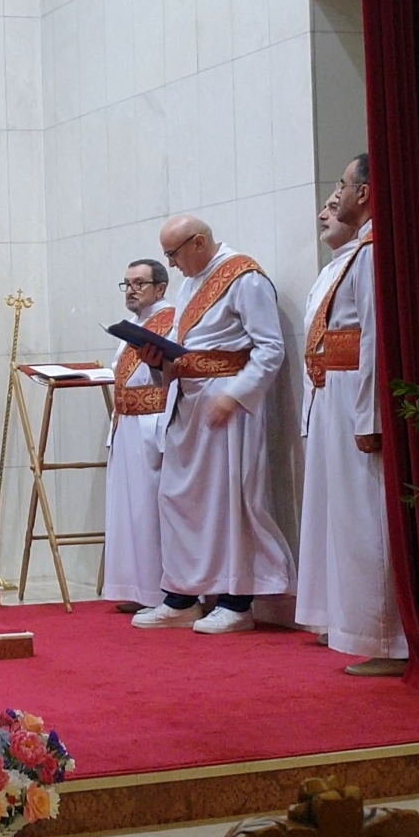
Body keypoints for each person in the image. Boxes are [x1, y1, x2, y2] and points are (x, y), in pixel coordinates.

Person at [132, 215, 293, 634]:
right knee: (179, 501)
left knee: (229, 504)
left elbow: (269, 348)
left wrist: (235, 395)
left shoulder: (244, 277)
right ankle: (183, 597)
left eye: (174, 254)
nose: (173, 263)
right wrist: (158, 363)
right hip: (188, 402)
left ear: (198, 242)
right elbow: (186, 350)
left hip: (227, 406)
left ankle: (237, 601)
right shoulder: (190, 284)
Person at [295, 154, 408, 676]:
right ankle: (351, 623)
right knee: (343, 520)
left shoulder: (372, 250)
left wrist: (370, 417)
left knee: (366, 521)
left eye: (342, 185)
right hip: (335, 393)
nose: (335, 195)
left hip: (355, 399)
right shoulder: (359, 250)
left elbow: (374, 342)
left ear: (364, 192)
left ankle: (384, 637)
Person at [101, 258, 174, 616]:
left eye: (139, 283)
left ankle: (163, 590)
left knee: (150, 507)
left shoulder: (170, 319)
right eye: (127, 283)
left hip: (152, 422)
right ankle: (140, 586)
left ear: (160, 288)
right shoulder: (131, 325)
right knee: (129, 509)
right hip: (127, 422)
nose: (131, 290)